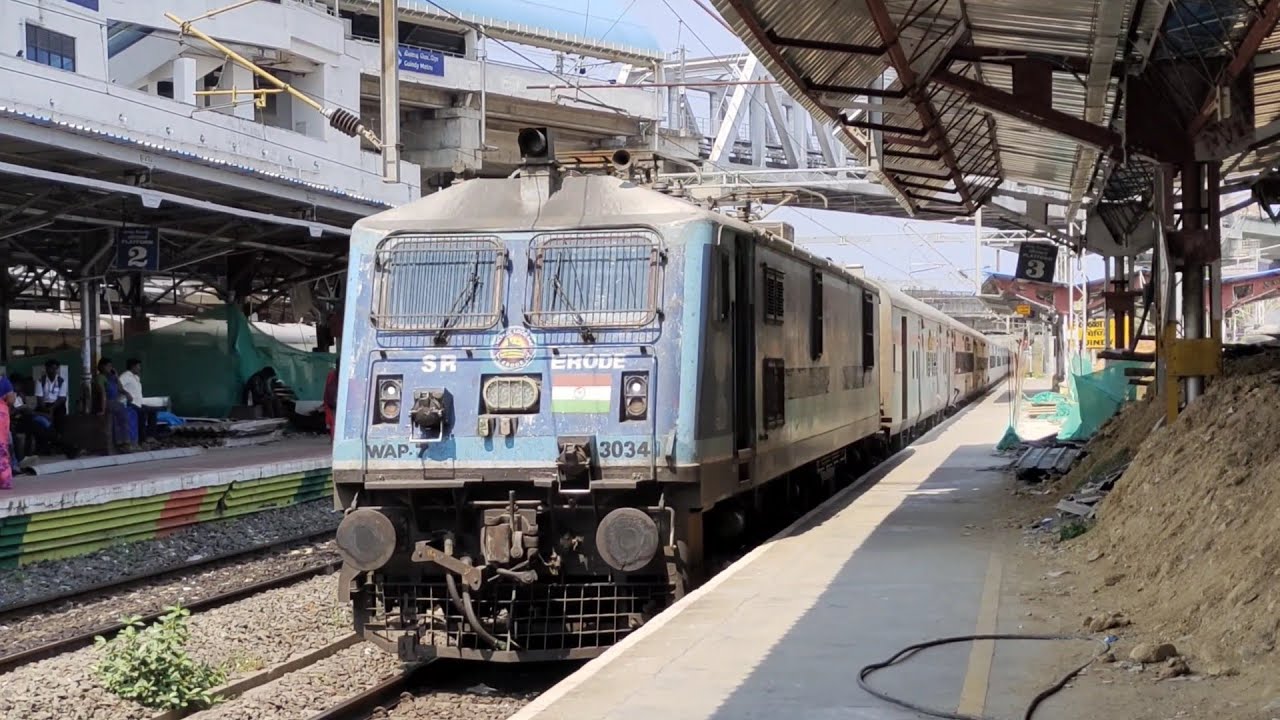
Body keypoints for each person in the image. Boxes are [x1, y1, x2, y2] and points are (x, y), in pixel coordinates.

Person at [94, 358, 136, 452]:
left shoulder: (112, 378)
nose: (110, 368)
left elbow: (120, 388)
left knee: (123, 415)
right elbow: (103, 394)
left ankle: (123, 442)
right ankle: (125, 443)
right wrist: (103, 409)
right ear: (101, 367)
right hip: (107, 402)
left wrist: (116, 376)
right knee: (122, 413)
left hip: (113, 402)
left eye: (111, 366)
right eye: (107, 366)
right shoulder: (100, 377)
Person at [118, 358, 152, 442]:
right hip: (129, 403)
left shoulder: (136, 377)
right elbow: (118, 386)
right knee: (142, 413)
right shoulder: (125, 376)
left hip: (138, 403)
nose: (139, 368)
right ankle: (141, 440)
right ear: (133, 367)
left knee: (152, 411)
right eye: (138, 366)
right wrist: (126, 393)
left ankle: (151, 435)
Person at [36, 359, 68, 435]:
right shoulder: (40, 381)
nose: (53, 371)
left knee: (60, 418)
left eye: (55, 368)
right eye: (50, 368)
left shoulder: (62, 381)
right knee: (39, 420)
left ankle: (59, 437)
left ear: (57, 369)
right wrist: (46, 410)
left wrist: (52, 408)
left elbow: (62, 398)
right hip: (44, 405)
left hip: (57, 405)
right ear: (46, 369)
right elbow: (39, 399)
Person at [0, 376, 16, 490]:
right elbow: (11, 400)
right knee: (2, 447)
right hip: (1, 416)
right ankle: (4, 480)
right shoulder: (4, 382)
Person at [323, 360, 339, 440]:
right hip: (334, 401)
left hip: (332, 401)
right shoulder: (333, 375)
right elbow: (328, 389)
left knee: (334, 422)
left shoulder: (332, 374)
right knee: (334, 422)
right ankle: (334, 439)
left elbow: (327, 389)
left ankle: (334, 439)